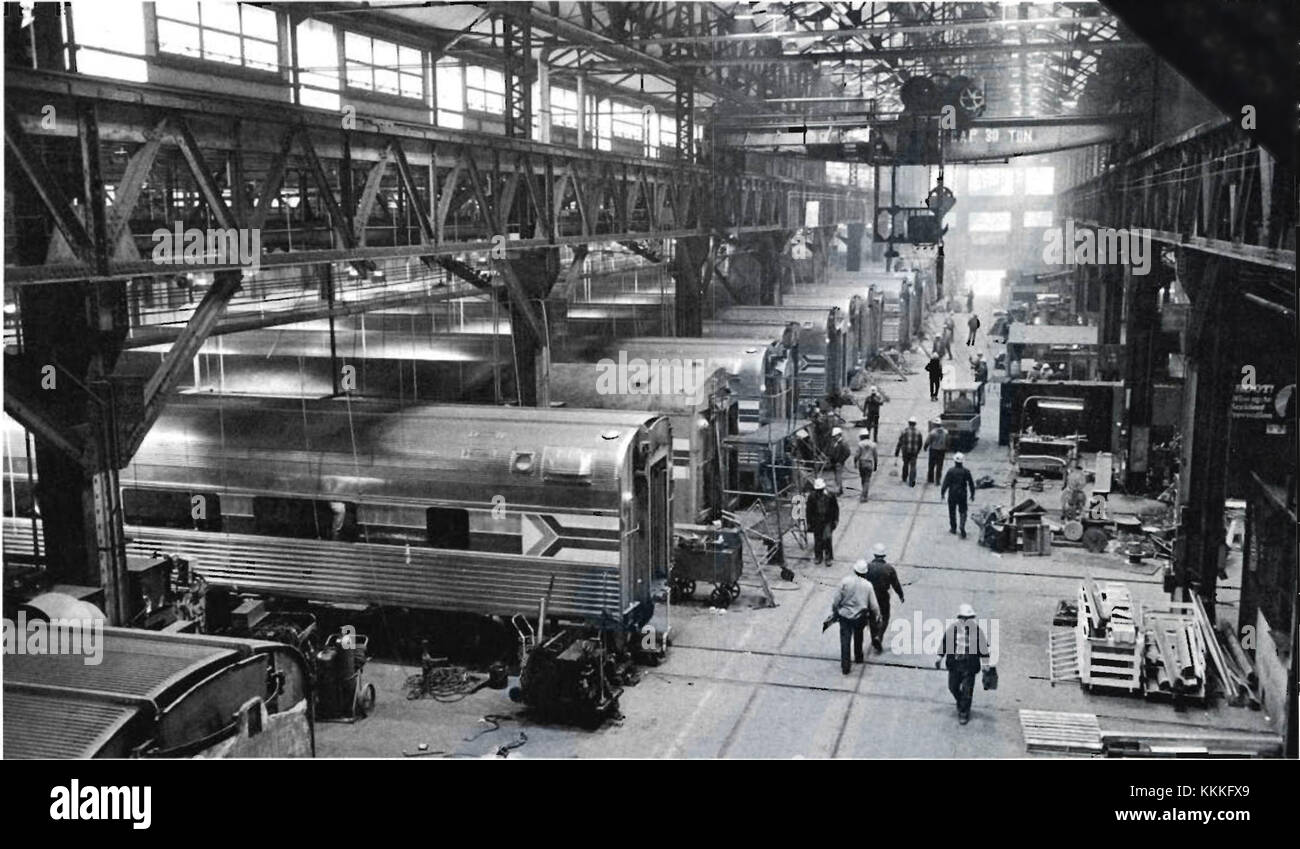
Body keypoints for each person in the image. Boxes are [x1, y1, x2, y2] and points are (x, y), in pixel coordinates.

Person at [934, 603, 993, 724]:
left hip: (969, 665)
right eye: (964, 618)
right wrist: (939, 658)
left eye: (969, 618)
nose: (966, 621)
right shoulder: (952, 630)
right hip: (955, 664)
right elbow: (944, 644)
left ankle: (964, 712)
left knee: (967, 690)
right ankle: (961, 702)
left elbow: (984, 650)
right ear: (959, 618)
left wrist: (985, 664)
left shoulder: (977, 632)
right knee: (953, 687)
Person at [829, 559, 881, 674]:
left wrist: (835, 609)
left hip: (845, 616)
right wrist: (877, 615)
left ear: (854, 570)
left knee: (845, 640)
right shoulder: (868, 586)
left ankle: (845, 666)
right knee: (859, 636)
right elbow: (873, 605)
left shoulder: (845, 581)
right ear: (865, 573)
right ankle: (858, 657)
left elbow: (836, 598)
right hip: (860, 616)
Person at [864, 543, 904, 652]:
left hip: (870, 596)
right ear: (884, 555)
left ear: (874, 554)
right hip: (883, 596)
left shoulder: (867, 567)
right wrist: (901, 595)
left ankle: (874, 637)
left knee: (872, 618)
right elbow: (896, 584)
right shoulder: (889, 568)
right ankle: (879, 636)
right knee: (885, 617)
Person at [940, 452, 977, 537]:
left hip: (952, 493)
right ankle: (962, 525)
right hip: (962, 494)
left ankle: (953, 528)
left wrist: (942, 493)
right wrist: (972, 494)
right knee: (963, 510)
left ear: (954, 461)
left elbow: (946, 483)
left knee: (952, 511)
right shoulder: (966, 471)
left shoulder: (950, 471)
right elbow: (971, 483)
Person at [805, 478, 839, 565]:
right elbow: (808, 511)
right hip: (816, 522)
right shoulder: (811, 497)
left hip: (827, 521)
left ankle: (828, 557)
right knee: (818, 539)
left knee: (827, 539)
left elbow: (835, 509)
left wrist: (835, 520)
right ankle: (818, 556)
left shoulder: (830, 496)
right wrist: (808, 523)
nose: (819, 492)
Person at [895, 416, 923, 487]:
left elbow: (900, 442)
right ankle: (912, 481)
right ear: (915, 424)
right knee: (913, 466)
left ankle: (904, 477)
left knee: (905, 464)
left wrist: (897, 451)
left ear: (909, 423)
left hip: (905, 451)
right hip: (914, 452)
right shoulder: (918, 432)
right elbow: (920, 443)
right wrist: (918, 451)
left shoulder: (904, 431)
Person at [852, 434, 878, 502]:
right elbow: (875, 456)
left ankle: (863, 495)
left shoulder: (860, 444)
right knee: (867, 480)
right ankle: (864, 495)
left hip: (862, 463)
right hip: (869, 463)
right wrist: (875, 465)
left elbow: (857, 455)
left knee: (863, 479)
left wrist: (855, 462)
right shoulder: (873, 444)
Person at [828, 426, 851, 495]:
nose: (834, 437)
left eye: (835, 436)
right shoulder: (836, 442)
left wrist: (841, 460)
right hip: (835, 462)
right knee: (836, 477)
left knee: (838, 477)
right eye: (834, 436)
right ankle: (839, 489)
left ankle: (839, 490)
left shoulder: (843, 443)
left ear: (839, 435)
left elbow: (847, 452)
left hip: (839, 463)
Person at [925, 421, 949, 485]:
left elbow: (928, 441)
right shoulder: (945, 432)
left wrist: (925, 447)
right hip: (941, 451)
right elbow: (948, 441)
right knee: (939, 466)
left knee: (931, 465)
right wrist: (946, 447)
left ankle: (930, 479)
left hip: (933, 450)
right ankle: (938, 480)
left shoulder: (932, 432)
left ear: (935, 425)